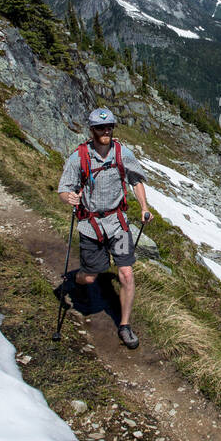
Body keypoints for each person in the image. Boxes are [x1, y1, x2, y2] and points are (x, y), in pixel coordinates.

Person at [57, 107, 152, 348]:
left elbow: (136, 179)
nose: (106, 131)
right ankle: (75, 282)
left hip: (118, 223)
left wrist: (143, 206)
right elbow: (64, 188)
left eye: (109, 126)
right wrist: (69, 197)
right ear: (92, 130)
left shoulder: (122, 153)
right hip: (90, 226)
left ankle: (125, 325)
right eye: (101, 127)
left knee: (127, 273)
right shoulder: (79, 157)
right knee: (90, 277)